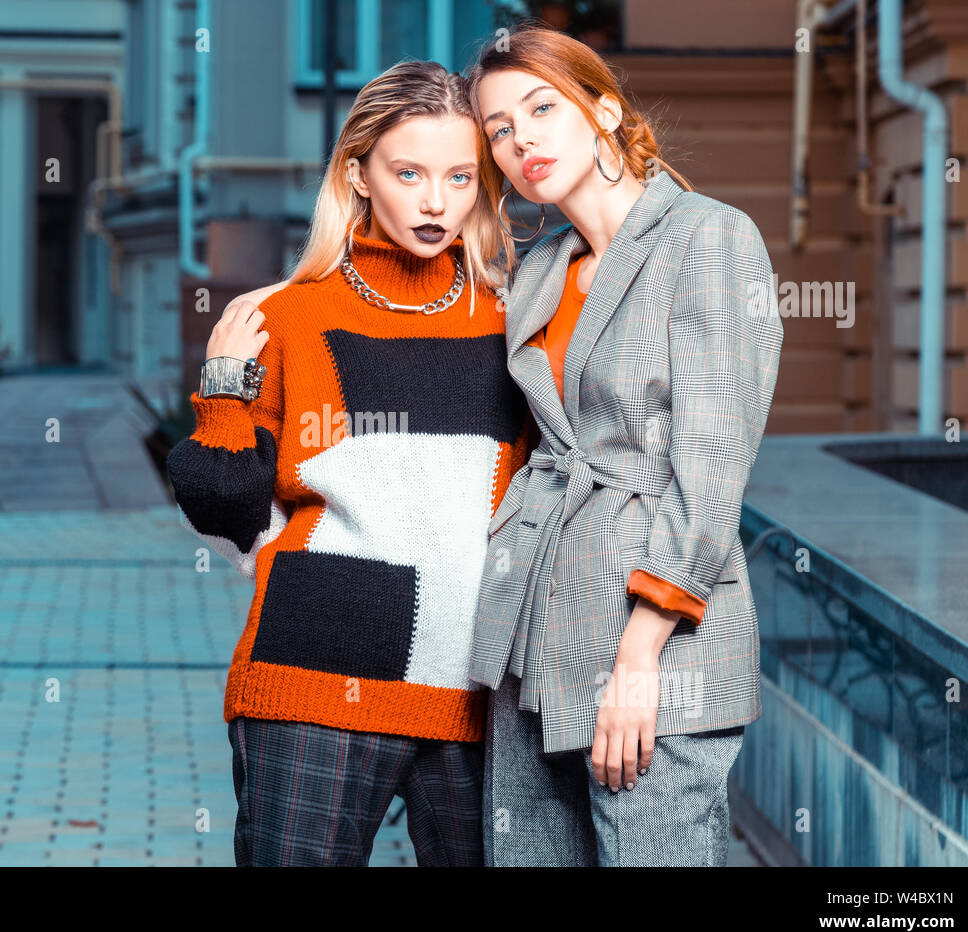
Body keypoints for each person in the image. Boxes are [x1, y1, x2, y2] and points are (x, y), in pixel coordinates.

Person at [165, 60, 536, 866]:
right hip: (312, 675)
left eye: (460, 176)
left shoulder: (511, 322)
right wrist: (224, 391)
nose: (436, 201)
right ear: (359, 173)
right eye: (409, 173)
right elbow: (225, 507)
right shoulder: (286, 316)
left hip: (474, 685)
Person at [466, 24, 785, 866]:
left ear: (603, 108)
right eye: (498, 128)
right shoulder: (539, 267)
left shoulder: (707, 238)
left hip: (658, 639)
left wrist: (639, 658)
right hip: (535, 627)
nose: (520, 138)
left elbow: (712, 470)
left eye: (541, 107)